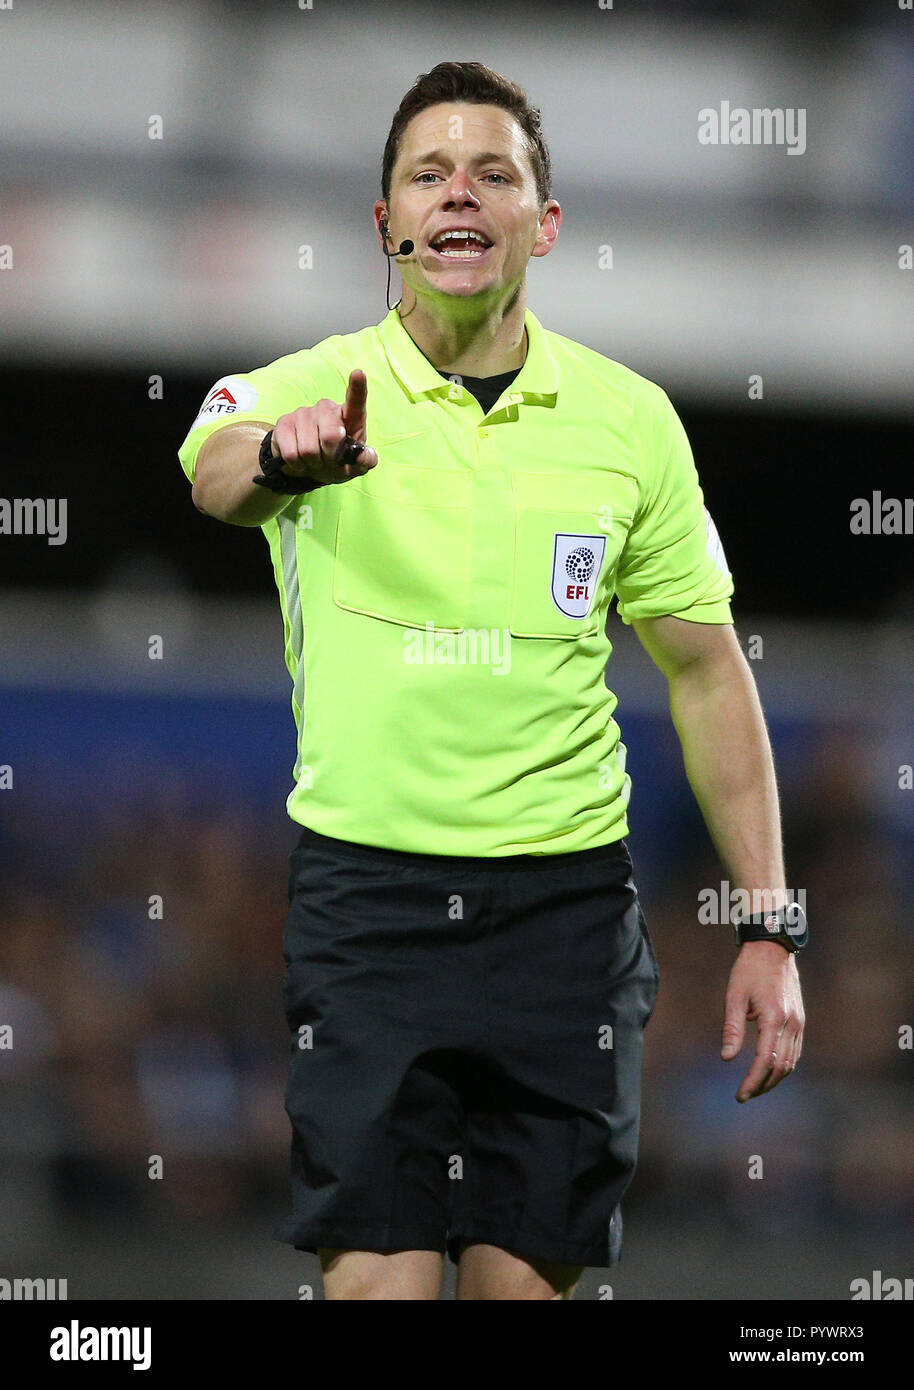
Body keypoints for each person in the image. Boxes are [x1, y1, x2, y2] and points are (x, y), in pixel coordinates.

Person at [177, 61, 806, 1301]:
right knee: (380, 1289)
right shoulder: (314, 386)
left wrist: (767, 921)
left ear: (542, 221)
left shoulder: (628, 424)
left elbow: (705, 673)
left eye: (492, 174)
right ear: (387, 225)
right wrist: (289, 461)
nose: (458, 194)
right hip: (368, 912)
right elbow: (216, 469)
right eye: (427, 174)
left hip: (562, 918)